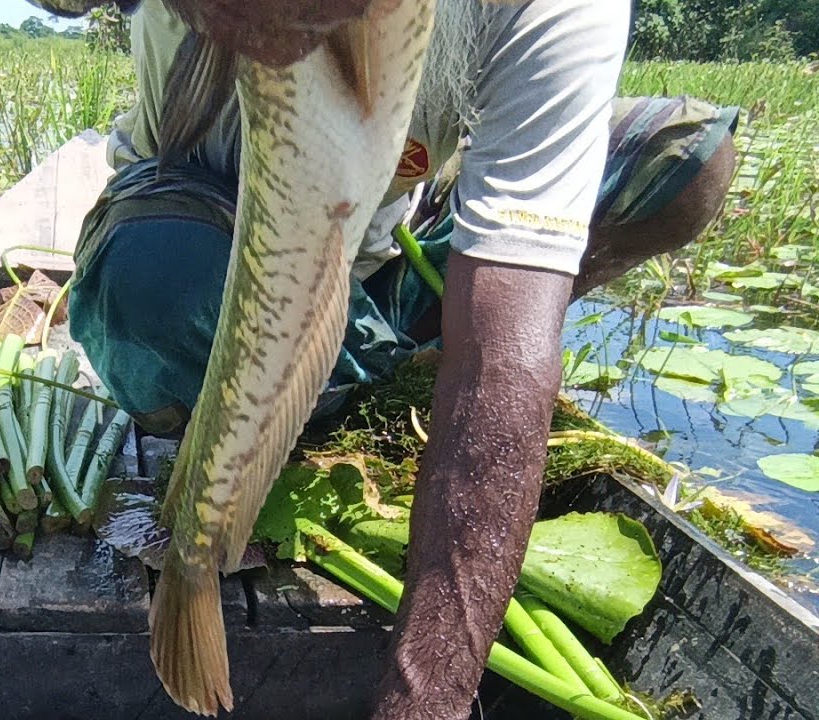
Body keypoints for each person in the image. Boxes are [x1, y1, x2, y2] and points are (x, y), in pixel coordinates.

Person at [65, 0, 738, 717]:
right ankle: (355, 371)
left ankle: (374, 355)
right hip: (184, 217)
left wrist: (425, 701)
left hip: (365, 255)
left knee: (682, 157)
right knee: (157, 282)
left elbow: (507, 354)